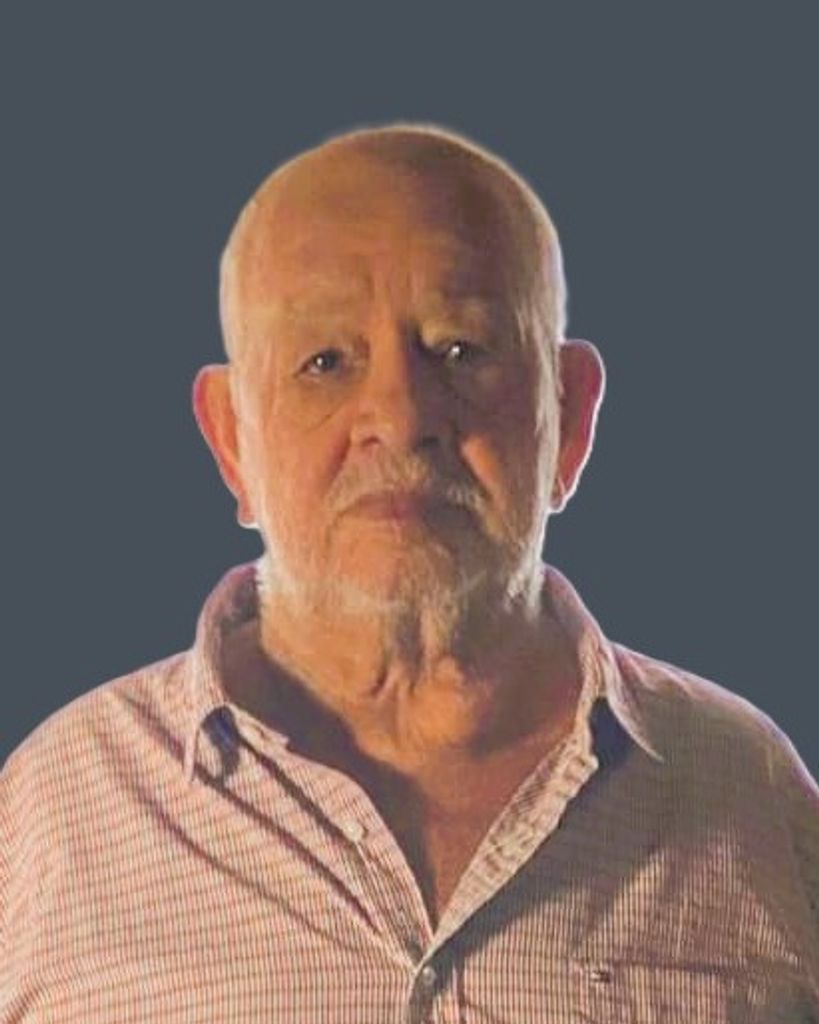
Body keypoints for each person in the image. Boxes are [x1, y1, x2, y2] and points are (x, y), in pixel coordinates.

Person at [1, 123, 817, 1023]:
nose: (398, 415)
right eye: (325, 362)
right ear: (232, 440)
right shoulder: (53, 816)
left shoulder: (748, 796)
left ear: (569, 415)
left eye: (460, 350)